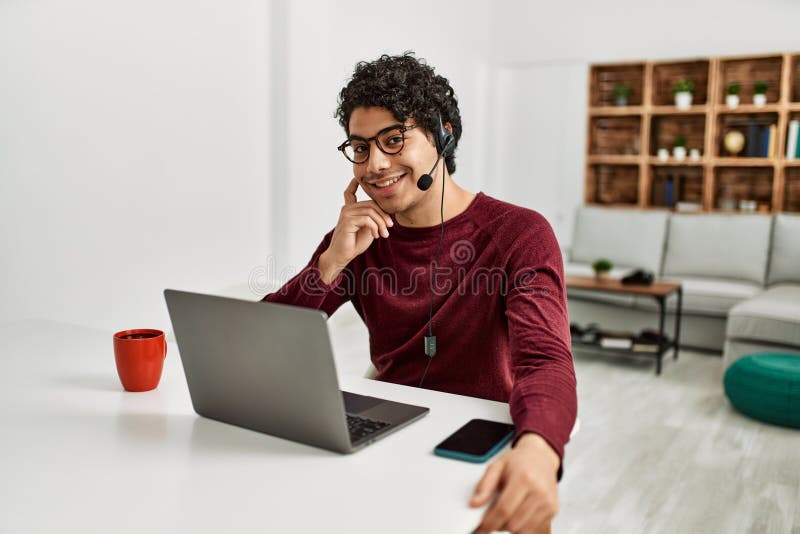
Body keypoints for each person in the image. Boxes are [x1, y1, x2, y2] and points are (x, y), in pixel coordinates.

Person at [263, 52, 577, 534]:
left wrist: (537, 449)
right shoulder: (357, 237)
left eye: (394, 140)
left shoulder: (520, 233)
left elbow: (545, 361)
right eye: (361, 147)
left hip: (477, 441)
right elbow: (264, 343)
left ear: (443, 134)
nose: (376, 164)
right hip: (384, 439)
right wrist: (330, 264)